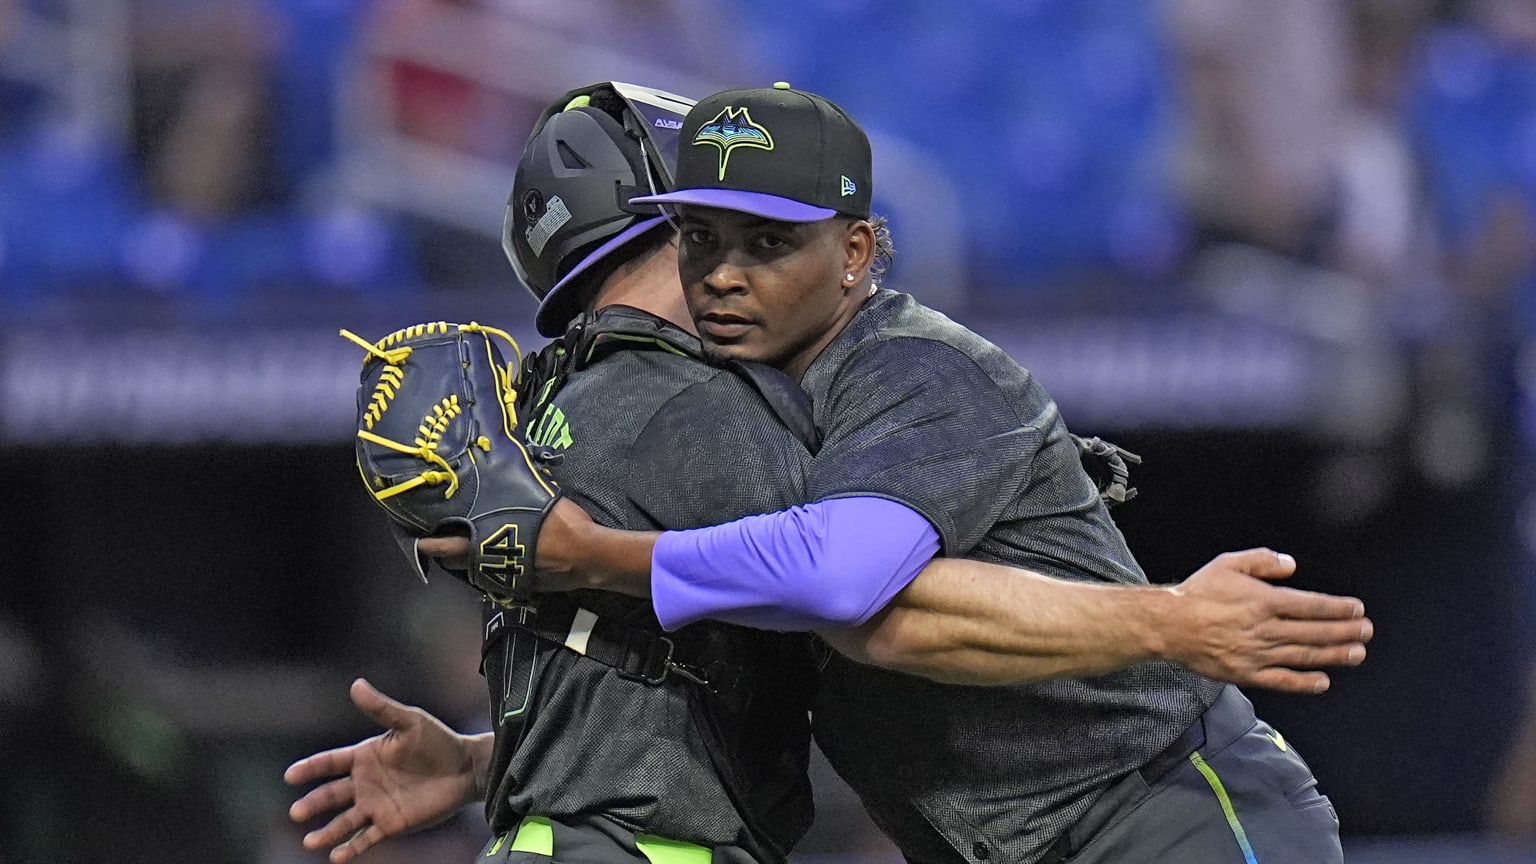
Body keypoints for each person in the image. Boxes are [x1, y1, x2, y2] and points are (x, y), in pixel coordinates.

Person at [292, 82, 1370, 864]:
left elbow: (860, 596)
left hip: (1155, 809)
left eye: (766, 244)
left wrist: (597, 554)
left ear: (856, 254)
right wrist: (498, 758)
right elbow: (761, 648)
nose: (724, 275)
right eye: (702, 240)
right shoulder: (751, 416)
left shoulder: (917, 369)